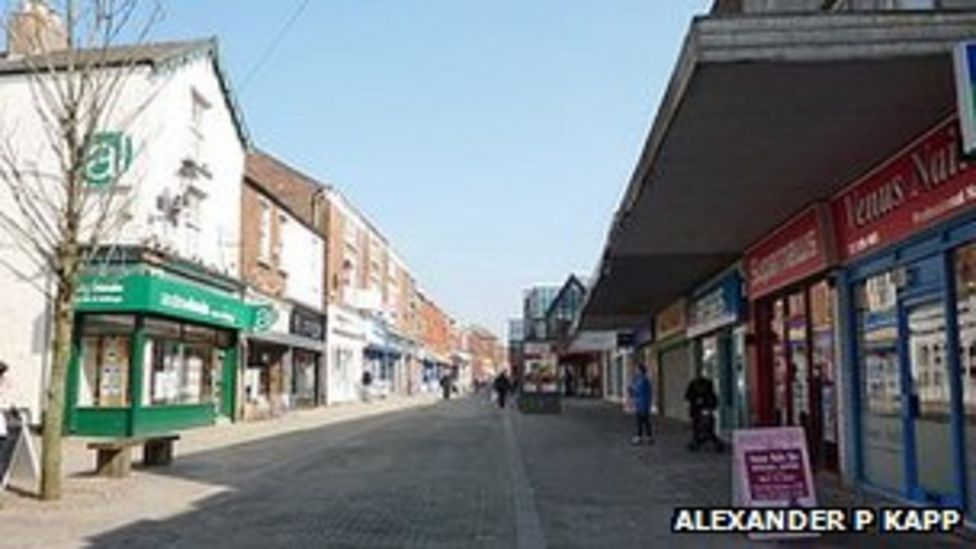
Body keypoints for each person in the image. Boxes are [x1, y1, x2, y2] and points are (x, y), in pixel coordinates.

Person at [684, 372, 723, 452]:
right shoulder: (707, 387)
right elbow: (713, 399)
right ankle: (704, 441)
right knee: (708, 428)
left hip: (698, 410)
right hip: (704, 409)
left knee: (699, 427)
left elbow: (687, 397)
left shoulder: (694, 386)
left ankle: (698, 441)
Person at [628, 364, 653, 445]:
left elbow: (637, 391)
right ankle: (648, 437)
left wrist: (631, 388)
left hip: (642, 404)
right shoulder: (640, 379)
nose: (636, 371)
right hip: (641, 404)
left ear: (641, 371)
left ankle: (640, 438)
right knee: (644, 421)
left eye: (637, 370)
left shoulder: (643, 380)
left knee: (640, 422)